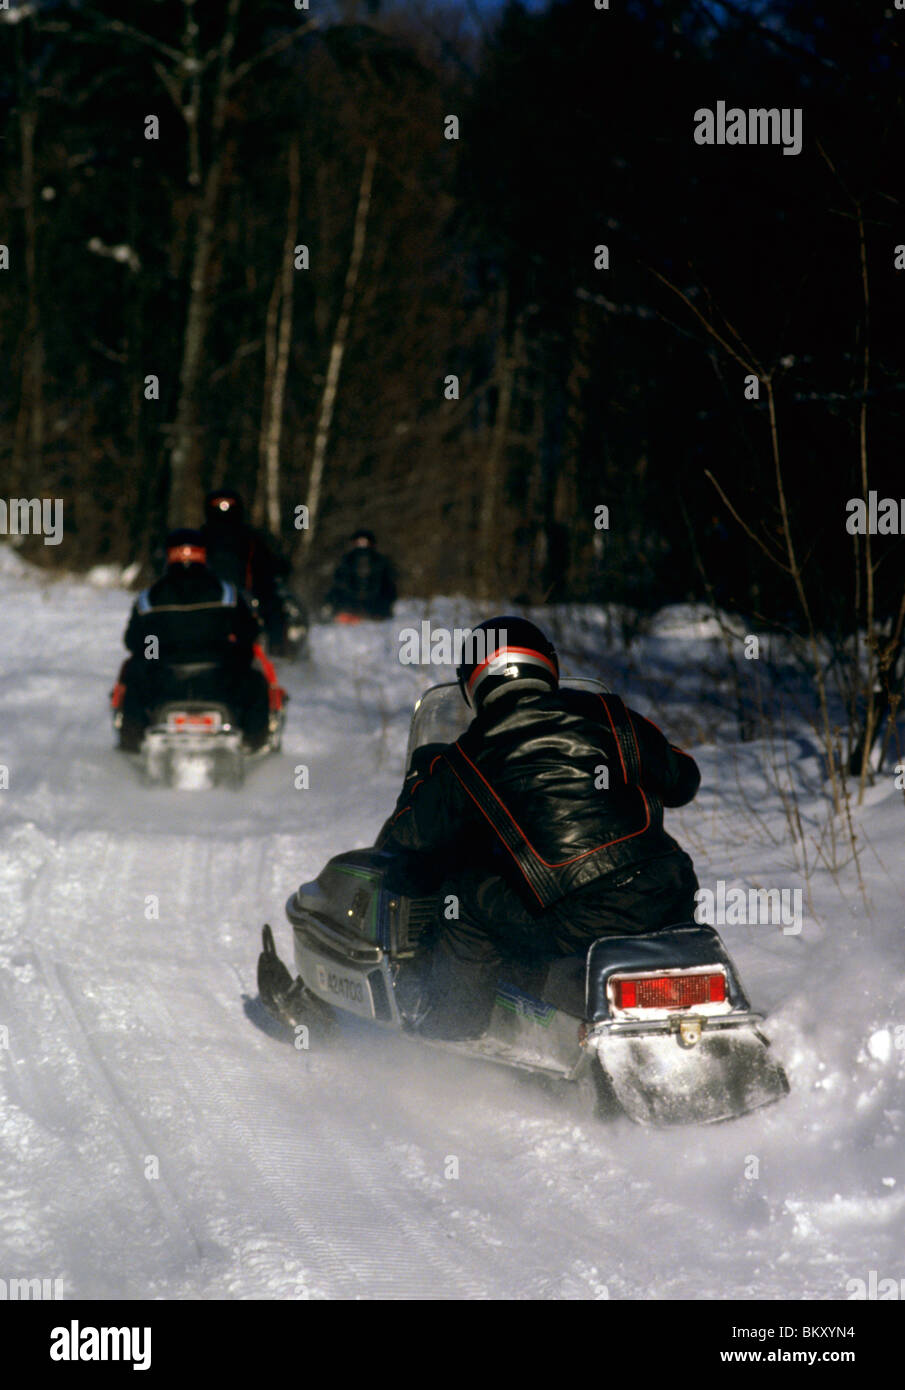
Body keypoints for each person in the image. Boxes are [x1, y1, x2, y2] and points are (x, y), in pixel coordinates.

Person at [375, 616, 701, 1039]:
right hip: (667, 893)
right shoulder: (612, 714)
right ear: (547, 663)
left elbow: (410, 834)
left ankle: (453, 1026)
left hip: (582, 916)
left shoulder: (468, 757)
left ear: (472, 682)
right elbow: (683, 780)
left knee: (464, 898)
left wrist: (422, 775)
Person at [114, 529, 271, 751]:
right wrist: (233, 649)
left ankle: (132, 743)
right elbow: (249, 632)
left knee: (133, 675)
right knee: (257, 682)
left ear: (168, 557)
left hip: (164, 680)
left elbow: (133, 641)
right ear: (204, 556)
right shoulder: (227, 593)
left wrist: (153, 652)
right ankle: (254, 743)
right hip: (219, 678)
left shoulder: (149, 597)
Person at [201, 489, 304, 655]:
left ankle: (279, 652)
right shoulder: (198, 539)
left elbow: (270, 562)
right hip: (207, 595)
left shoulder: (252, 538)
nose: (224, 509)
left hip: (249, 593)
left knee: (274, 605)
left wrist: (278, 569)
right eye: (219, 505)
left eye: (228, 504)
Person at [324, 529, 396, 621]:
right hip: (350, 600)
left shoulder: (380, 560)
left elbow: (388, 582)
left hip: (375, 602)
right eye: (359, 542)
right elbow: (339, 580)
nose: (362, 545)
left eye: (365, 542)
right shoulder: (347, 559)